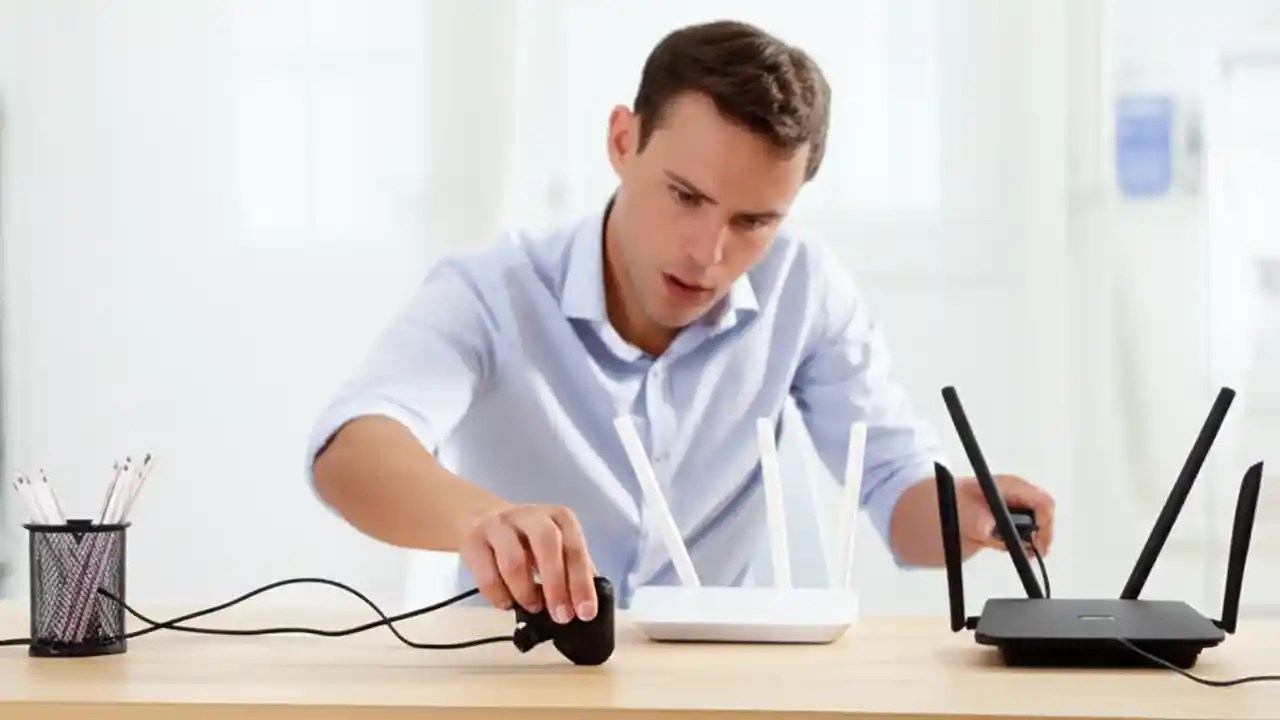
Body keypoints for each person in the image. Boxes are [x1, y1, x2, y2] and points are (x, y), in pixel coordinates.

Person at [307, 20, 1055, 626]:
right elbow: (352, 450)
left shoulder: (804, 287)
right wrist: (484, 521)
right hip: (515, 672)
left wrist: (963, 515)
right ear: (622, 141)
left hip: (718, 682)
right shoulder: (494, 290)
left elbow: (898, 499)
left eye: (755, 220)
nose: (709, 253)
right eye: (685, 196)